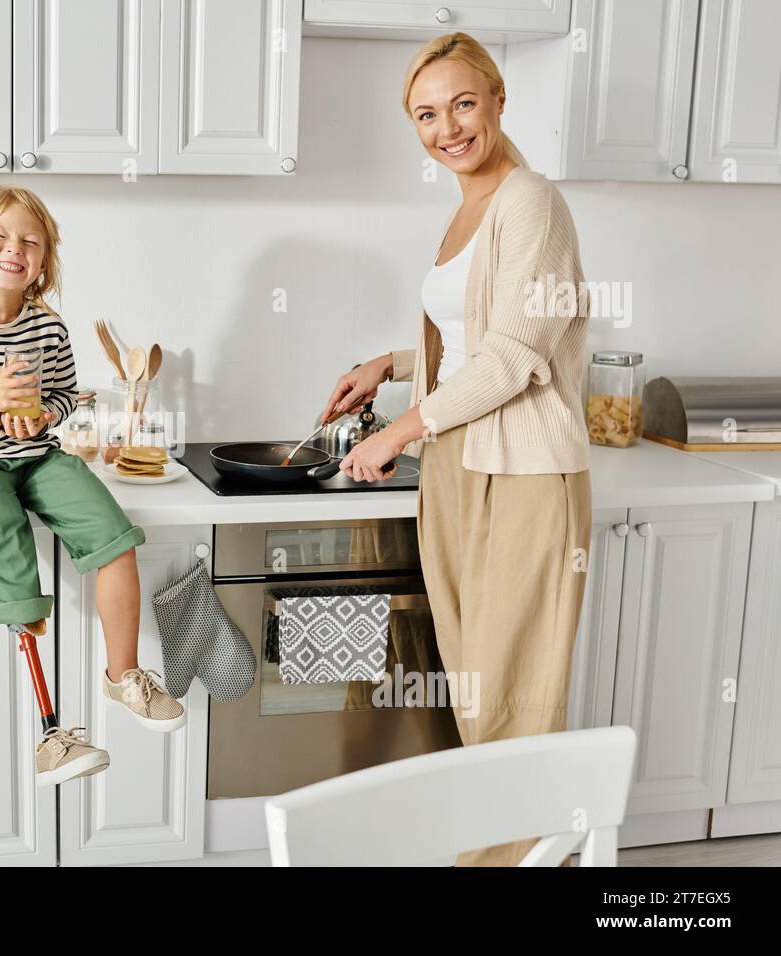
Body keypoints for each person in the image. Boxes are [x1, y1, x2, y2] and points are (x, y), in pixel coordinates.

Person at [320, 33, 592, 866]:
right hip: (457, 470)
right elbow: (470, 334)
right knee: (477, 695)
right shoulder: (466, 210)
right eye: (426, 115)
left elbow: (514, 354)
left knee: (513, 699)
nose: (448, 128)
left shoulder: (530, 200)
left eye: (462, 104)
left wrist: (405, 427)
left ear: (500, 100)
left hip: (524, 476)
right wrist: (389, 366)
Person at [0, 185, 185, 787]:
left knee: (115, 535)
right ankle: (51, 734)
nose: (13, 249)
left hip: (35, 456)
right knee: (3, 538)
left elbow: (61, 397)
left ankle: (123, 677)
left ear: (45, 261)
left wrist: (41, 415)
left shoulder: (48, 328)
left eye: (31, 241)